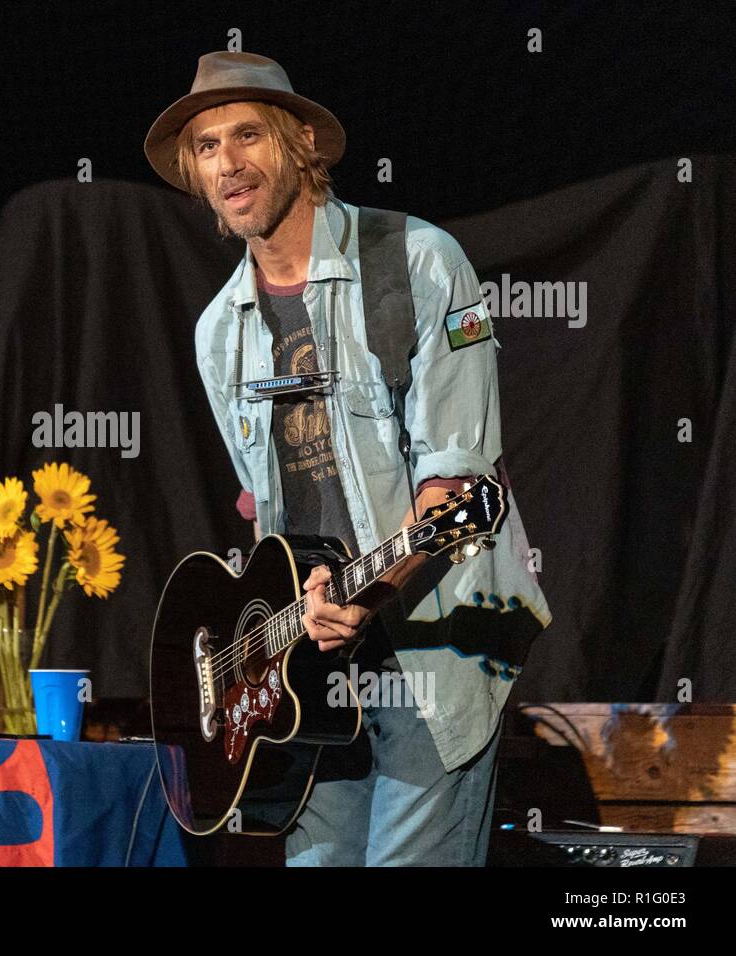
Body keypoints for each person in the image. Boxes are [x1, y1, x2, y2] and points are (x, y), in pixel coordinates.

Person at [144, 51, 551, 865]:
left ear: (301, 144)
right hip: (306, 677)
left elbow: (457, 480)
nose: (229, 162)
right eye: (208, 146)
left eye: (248, 134)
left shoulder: (417, 262)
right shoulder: (219, 331)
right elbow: (264, 515)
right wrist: (263, 640)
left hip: (434, 648)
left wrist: (374, 590)